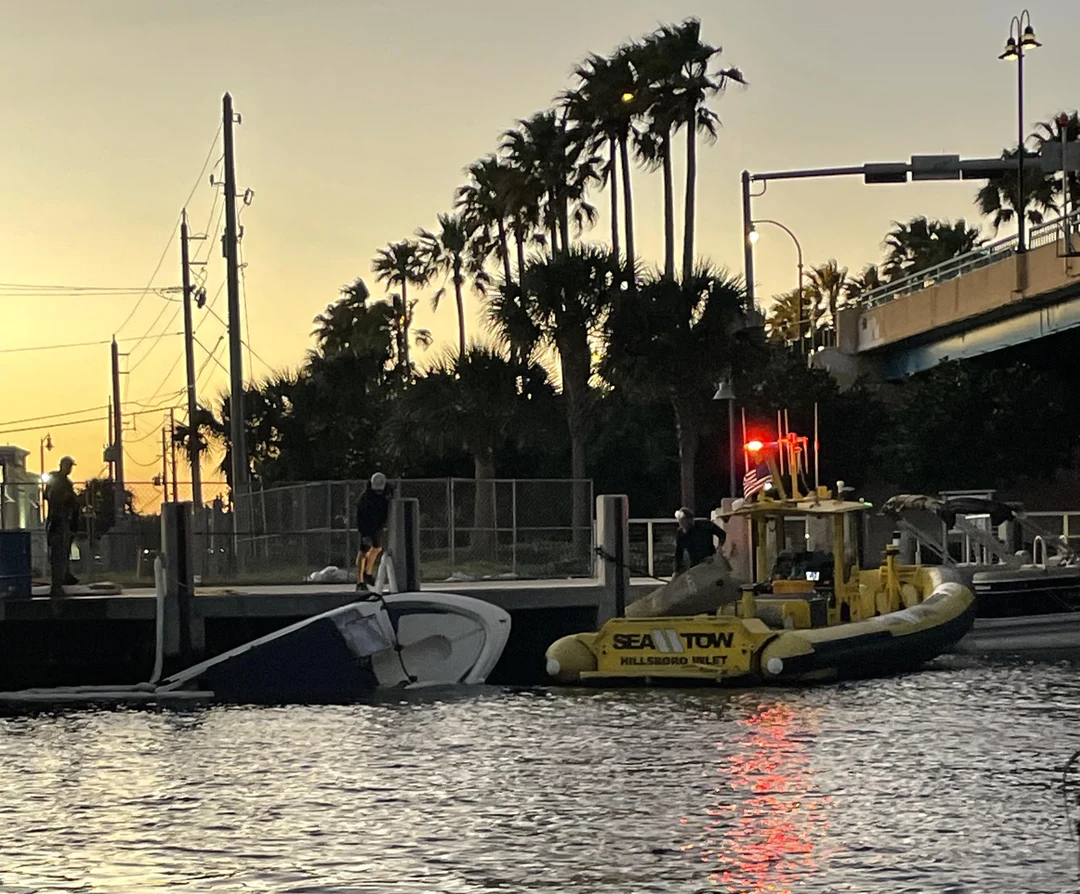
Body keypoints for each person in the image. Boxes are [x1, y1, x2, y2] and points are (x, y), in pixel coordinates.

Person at [45, 455, 80, 596]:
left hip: (65, 521)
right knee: (58, 554)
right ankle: (57, 584)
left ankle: (63, 577)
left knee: (64, 552)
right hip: (57, 521)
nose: (69, 469)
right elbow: (51, 497)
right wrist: (67, 498)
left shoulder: (65, 482)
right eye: (68, 466)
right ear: (62, 465)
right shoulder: (56, 481)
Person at [356, 472, 392, 590]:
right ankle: (360, 581)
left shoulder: (388, 492)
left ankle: (368, 573)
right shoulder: (365, 498)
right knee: (364, 551)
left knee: (377, 548)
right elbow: (360, 517)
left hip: (378, 525)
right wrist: (364, 534)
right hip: (367, 525)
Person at [674, 507, 726, 574]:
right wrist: (676, 570)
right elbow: (678, 553)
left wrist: (720, 547)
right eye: (680, 522)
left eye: (684, 521)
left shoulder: (705, 524)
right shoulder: (680, 533)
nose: (683, 524)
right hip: (695, 563)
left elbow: (722, 534)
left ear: (690, 520)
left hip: (710, 559)